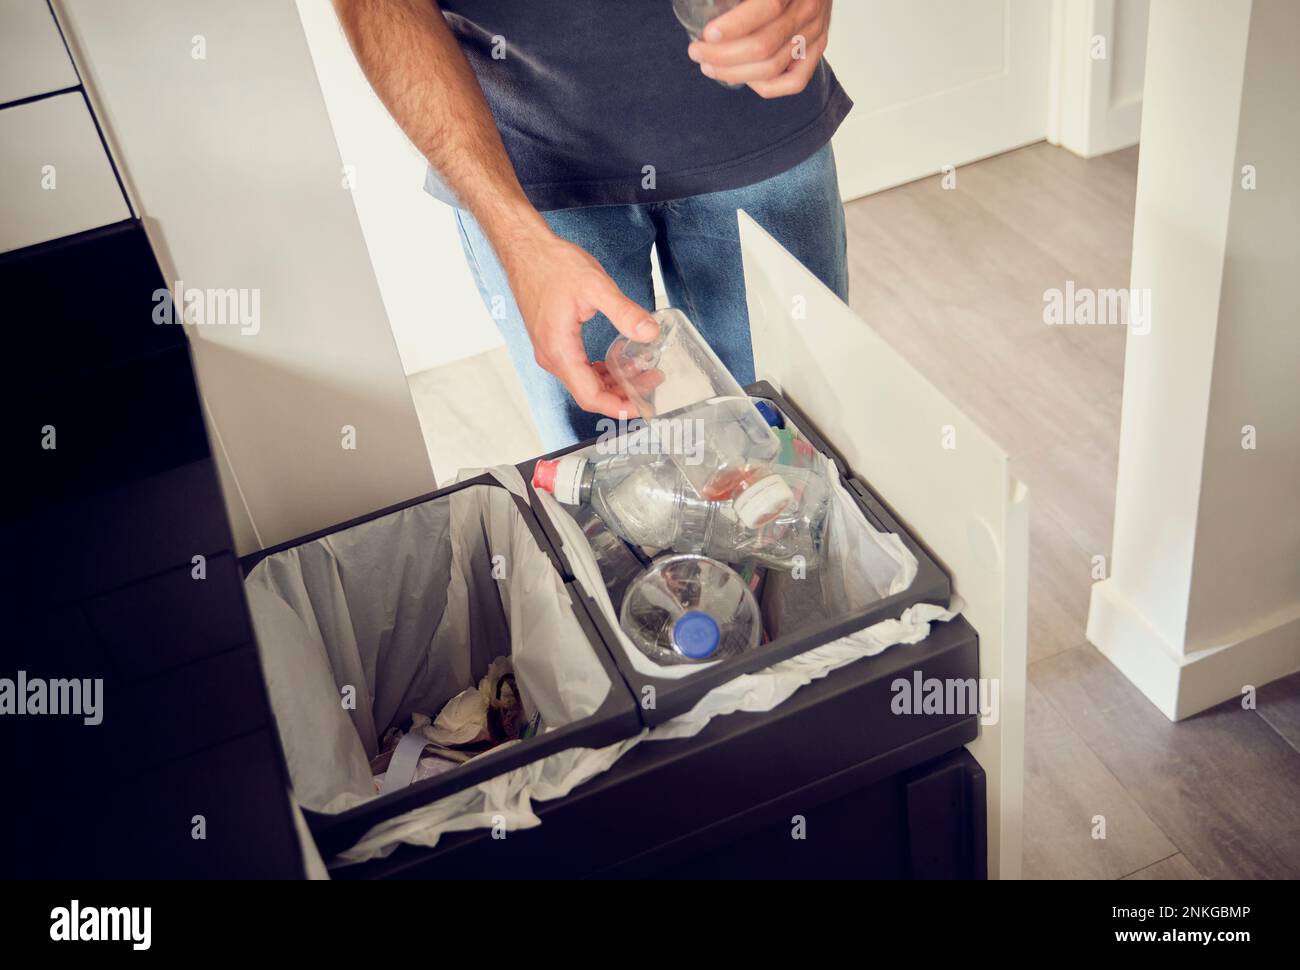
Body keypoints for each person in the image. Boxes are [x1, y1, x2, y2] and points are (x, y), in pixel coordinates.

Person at [335, 0, 849, 449]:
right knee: (606, 467)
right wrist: (519, 241)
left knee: (798, 434)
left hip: (759, 111)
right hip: (527, 165)